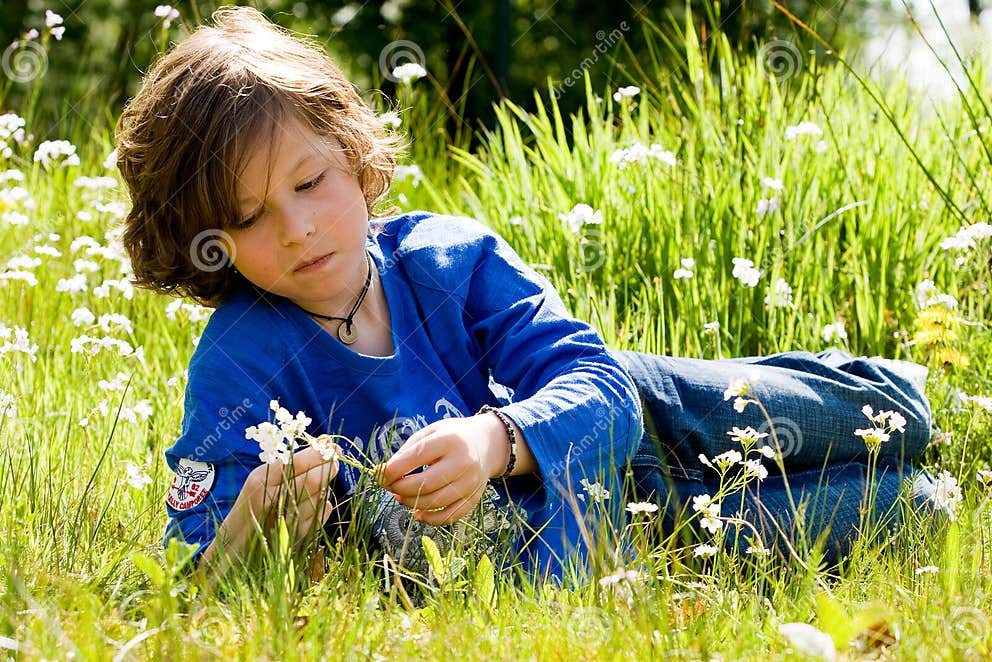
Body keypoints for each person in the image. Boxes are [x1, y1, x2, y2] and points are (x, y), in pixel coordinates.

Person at [114, 6, 938, 585]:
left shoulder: (447, 259)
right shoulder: (239, 363)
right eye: (250, 217)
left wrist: (493, 443)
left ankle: (911, 384)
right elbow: (193, 567)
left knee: (893, 417)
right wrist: (246, 541)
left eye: (309, 181)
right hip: (644, 533)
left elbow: (602, 391)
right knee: (915, 507)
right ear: (204, 240)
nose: (296, 229)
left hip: (653, 415)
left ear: (354, 151)